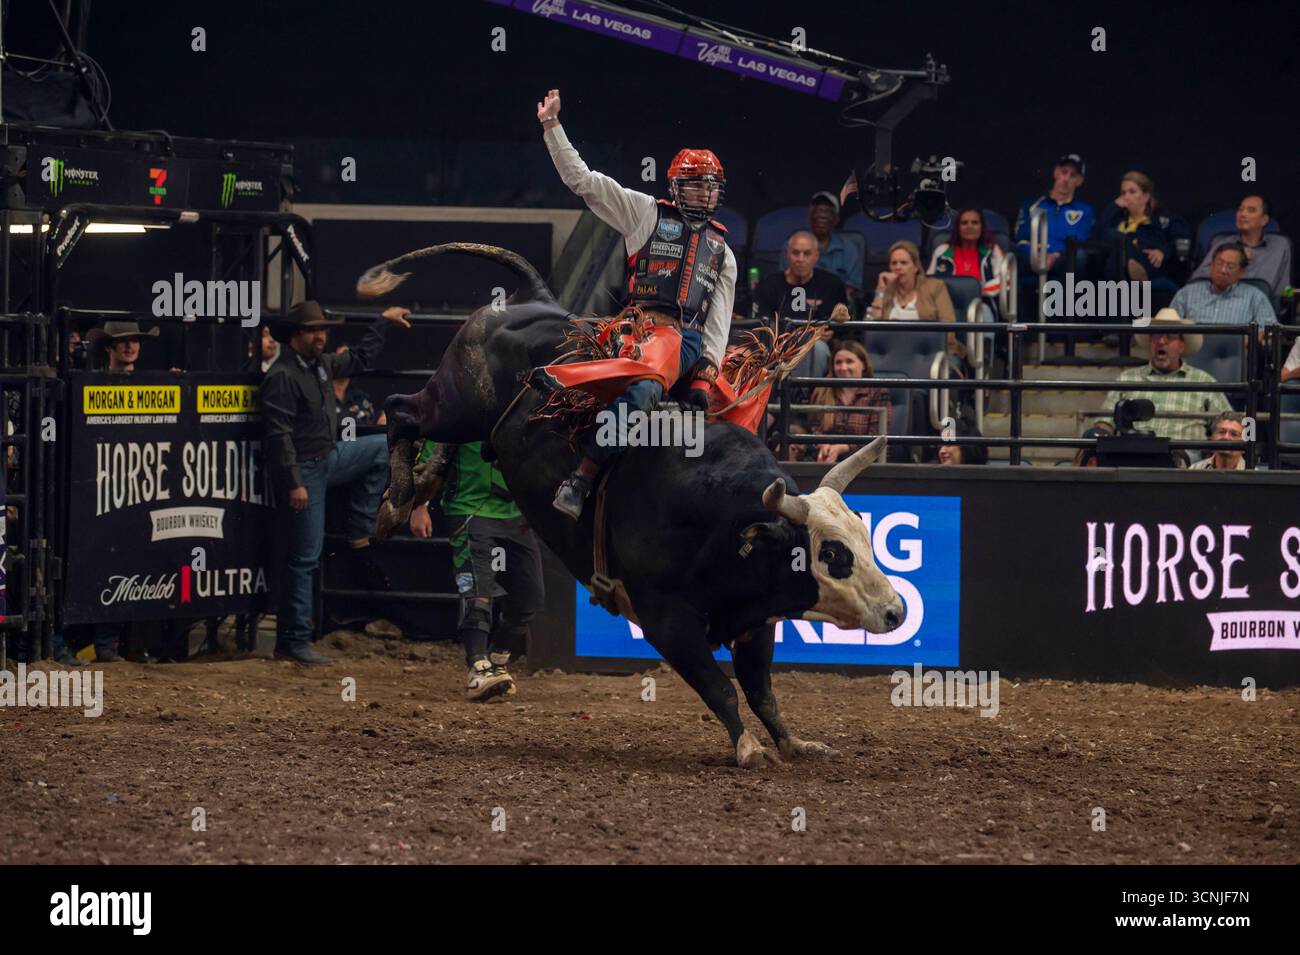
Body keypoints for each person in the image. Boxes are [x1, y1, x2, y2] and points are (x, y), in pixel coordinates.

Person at [536, 88, 737, 520]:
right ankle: (582, 476)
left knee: (718, 406)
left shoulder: (724, 252)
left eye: (710, 188)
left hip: (683, 343)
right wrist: (553, 126)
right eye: (695, 187)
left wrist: (704, 377)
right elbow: (584, 182)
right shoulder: (645, 214)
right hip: (637, 332)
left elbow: (718, 325)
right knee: (642, 385)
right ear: (675, 188)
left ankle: (589, 477)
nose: (704, 195)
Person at [260, 300, 411, 665]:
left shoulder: (321, 365)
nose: (321, 336)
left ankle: (360, 524)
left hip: (325, 458)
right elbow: (278, 434)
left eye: (323, 330)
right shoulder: (283, 376)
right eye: (314, 330)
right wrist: (294, 482)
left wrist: (382, 322)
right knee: (305, 556)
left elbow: (359, 358)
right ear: (296, 336)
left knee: (380, 446)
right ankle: (293, 641)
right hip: (307, 468)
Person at [409, 441, 543, 701]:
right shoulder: (459, 407)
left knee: (530, 596)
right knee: (478, 589)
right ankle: (477, 668)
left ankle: (497, 659)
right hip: (469, 507)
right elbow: (427, 458)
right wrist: (419, 506)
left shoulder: (520, 409)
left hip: (516, 515)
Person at [1091, 310, 1232, 444]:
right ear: (1151, 343)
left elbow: (1229, 422)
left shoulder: (1203, 381)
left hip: (1186, 460)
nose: (1161, 341)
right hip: (1134, 456)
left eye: (1170, 336)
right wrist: (1100, 433)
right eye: (1156, 335)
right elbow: (1105, 422)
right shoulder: (1127, 379)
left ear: (1181, 346)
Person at [752, 230, 850, 402]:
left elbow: (845, 326)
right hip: (777, 349)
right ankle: (782, 407)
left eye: (807, 253)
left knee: (817, 350)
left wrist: (833, 332)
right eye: (796, 253)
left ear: (816, 256)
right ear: (787, 255)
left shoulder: (832, 285)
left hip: (816, 350)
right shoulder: (768, 286)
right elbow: (760, 327)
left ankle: (800, 405)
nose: (800, 258)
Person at [869, 240, 968, 370]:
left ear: (916, 267)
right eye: (894, 263)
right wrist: (880, 291)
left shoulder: (935, 287)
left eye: (903, 263)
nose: (898, 267)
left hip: (932, 353)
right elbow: (871, 327)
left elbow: (948, 327)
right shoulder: (887, 290)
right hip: (894, 354)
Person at [1190, 195, 1292, 305]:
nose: (1242, 214)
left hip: (1261, 307)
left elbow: (1285, 285)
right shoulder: (1222, 243)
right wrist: (1233, 263)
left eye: (1251, 210)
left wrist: (1289, 303)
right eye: (1240, 209)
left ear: (1264, 220)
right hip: (1221, 304)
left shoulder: (1280, 245)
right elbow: (1196, 279)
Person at [1013, 154, 1095, 289]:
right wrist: (1037, 255)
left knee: (1079, 257)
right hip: (1033, 257)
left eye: (1072, 175)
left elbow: (1080, 242)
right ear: (1056, 172)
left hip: (1063, 261)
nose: (1066, 179)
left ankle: (1068, 307)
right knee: (1014, 255)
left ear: (1079, 181)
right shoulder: (1033, 205)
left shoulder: (1085, 210)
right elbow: (1020, 238)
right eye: (1064, 172)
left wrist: (1055, 256)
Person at [803, 340, 889, 463]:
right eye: (838, 362)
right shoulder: (822, 390)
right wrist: (823, 445)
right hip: (824, 457)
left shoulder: (877, 392)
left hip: (863, 460)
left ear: (863, 364)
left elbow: (877, 436)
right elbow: (814, 428)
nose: (843, 367)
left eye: (849, 362)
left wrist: (842, 448)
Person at [1094, 171, 1179, 294]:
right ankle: (1132, 269)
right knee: (1111, 239)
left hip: (1148, 264)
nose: (1126, 197)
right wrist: (1114, 206)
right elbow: (1097, 233)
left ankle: (1137, 272)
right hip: (1116, 268)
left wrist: (1163, 251)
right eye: (1123, 193)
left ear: (1146, 196)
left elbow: (1180, 241)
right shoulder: (1117, 219)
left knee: (1114, 238)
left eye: (1132, 192)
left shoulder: (1160, 220)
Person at [1172, 243, 1276, 327]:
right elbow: (1169, 327)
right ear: (1211, 265)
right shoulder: (1187, 293)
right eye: (1219, 263)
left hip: (1235, 352)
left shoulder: (1255, 296)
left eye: (1230, 266)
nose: (1223, 270)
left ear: (1242, 272)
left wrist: (1248, 339)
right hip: (1194, 352)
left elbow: (1270, 332)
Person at [928, 207, 1006, 317]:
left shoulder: (993, 250)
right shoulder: (942, 250)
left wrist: (977, 291)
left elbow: (1005, 282)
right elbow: (929, 281)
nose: (969, 226)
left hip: (981, 303)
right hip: (945, 303)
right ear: (958, 227)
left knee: (982, 312)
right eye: (964, 223)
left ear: (981, 227)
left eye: (974, 223)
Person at [805, 191, 863, 293]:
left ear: (836, 220)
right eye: (818, 211)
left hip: (837, 304)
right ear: (810, 217)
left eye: (828, 212)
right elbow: (787, 283)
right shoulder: (793, 246)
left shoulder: (849, 248)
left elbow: (852, 287)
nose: (822, 216)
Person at [332, 344, 386, 429]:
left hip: (359, 441)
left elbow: (372, 422)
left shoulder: (360, 397)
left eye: (349, 359)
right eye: (341, 357)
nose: (345, 363)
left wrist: (382, 418)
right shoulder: (320, 396)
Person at [86, 320, 160, 372]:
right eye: (122, 340)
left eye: (134, 341)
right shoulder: (96, 381)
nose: (129, 346)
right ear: (108, 346)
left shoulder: (148, 382)